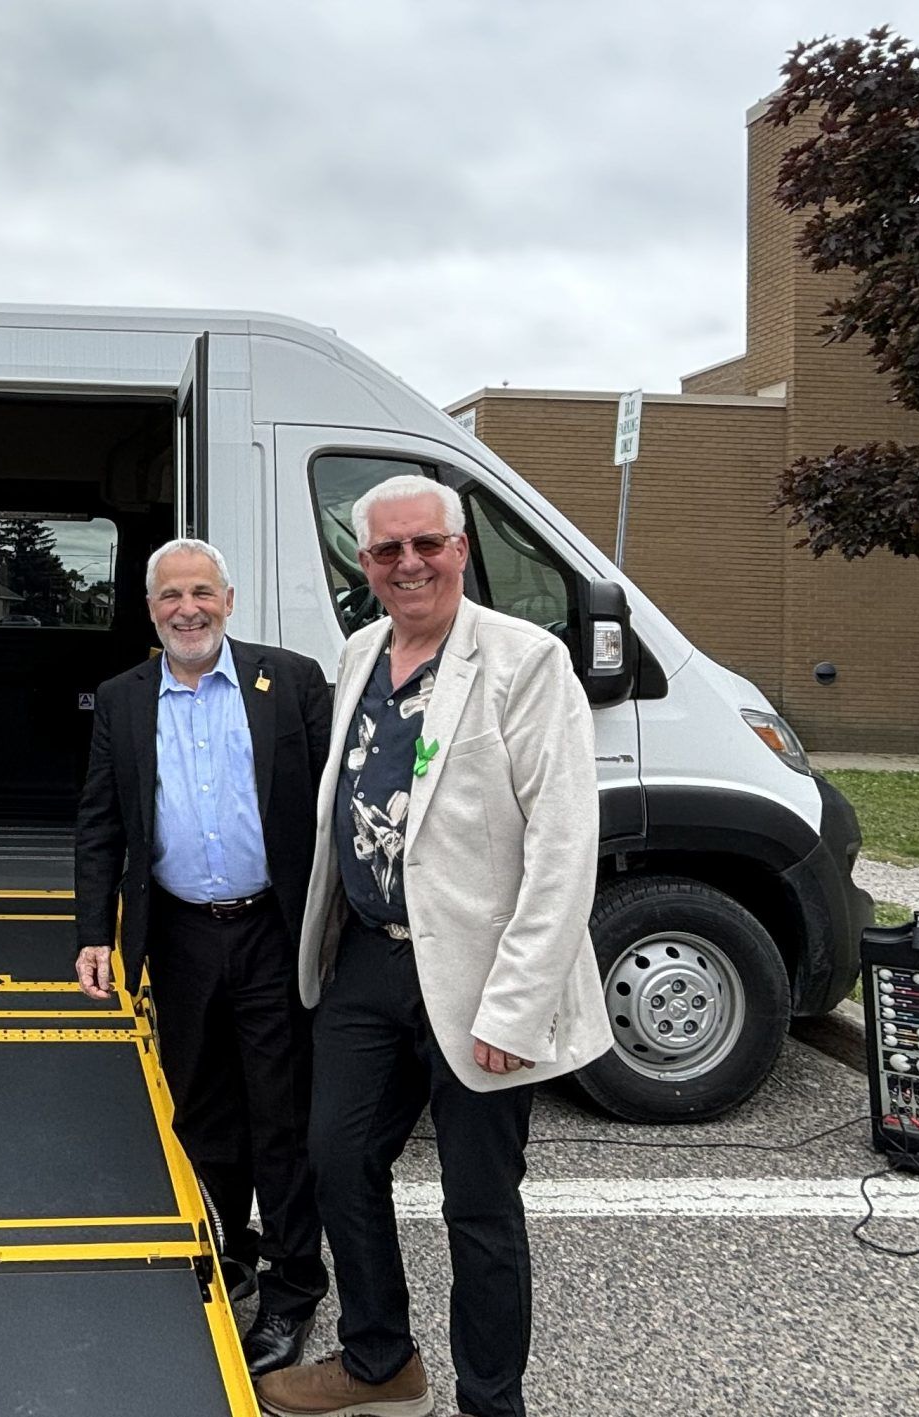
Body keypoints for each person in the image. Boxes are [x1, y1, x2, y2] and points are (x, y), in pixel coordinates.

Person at [257, 477, 613, 1417]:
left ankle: (491, 1402)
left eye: (426, 544)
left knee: (479, 1203)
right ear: (364, 563)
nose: (408, 563)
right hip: (369, 959)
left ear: (461, 548)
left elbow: (564, 845)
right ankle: (380, 1361)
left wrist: (517, 1005)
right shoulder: (360, 651)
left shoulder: (525, 661)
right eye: (387, 550)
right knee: (336, 1159)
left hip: (482, 971)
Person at [73, 537, 334, 1377]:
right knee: (203, 1109)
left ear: (229, 599)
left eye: (201, 592)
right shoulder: (123, 698)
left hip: (273, 930)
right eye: (170, 596)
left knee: (280, 1114)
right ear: (150, 610)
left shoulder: (291, 681)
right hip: (179, 936)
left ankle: (295, 1289)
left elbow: (336, 805)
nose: (187, 609)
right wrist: (94, 931)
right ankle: (226, 1249)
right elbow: (101, 822)